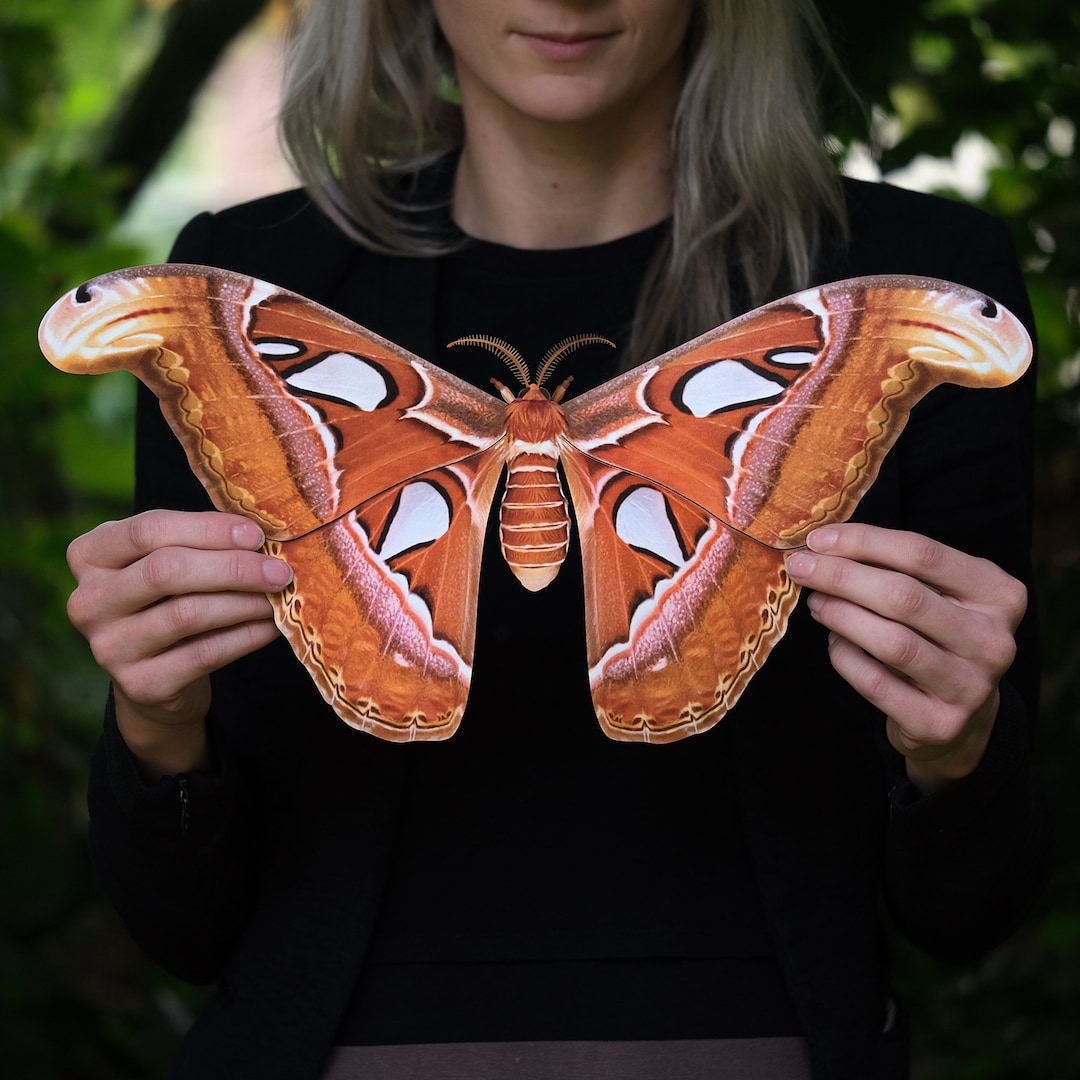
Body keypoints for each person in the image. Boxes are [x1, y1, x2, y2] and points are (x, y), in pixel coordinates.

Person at [66, 1, 1050, 1077]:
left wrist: (959, 752)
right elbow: (184, 931)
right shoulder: (253, 280)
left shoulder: (909, 282)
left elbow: (973, 911)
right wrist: (158, 725)